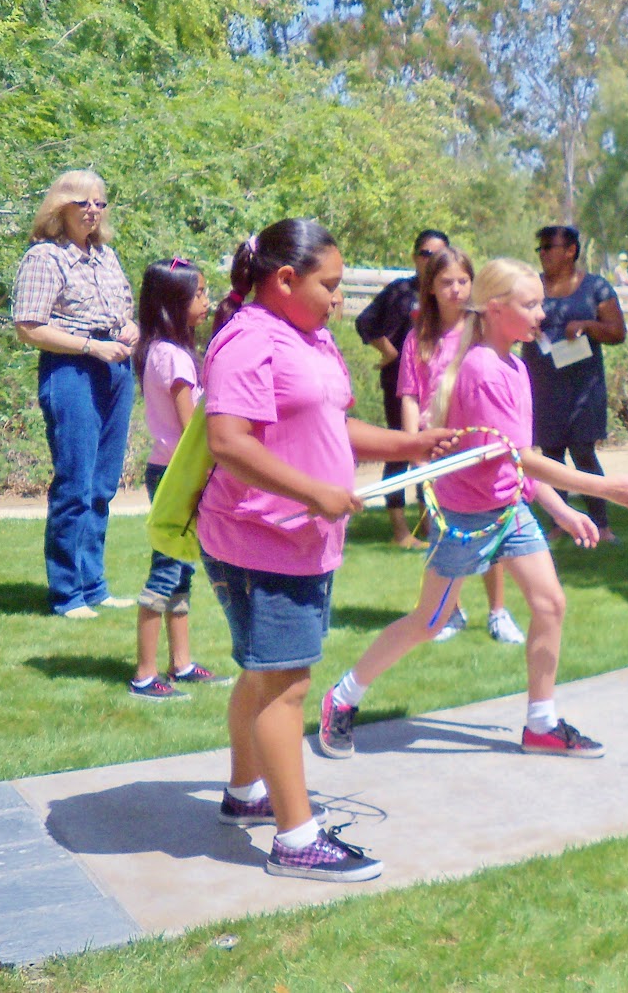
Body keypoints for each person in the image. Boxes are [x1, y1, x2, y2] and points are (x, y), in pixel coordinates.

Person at [318, 259, 628, 762]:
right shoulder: (481, 368)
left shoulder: (516, 366)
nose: (542, 313)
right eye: (530, 304)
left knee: (550, 604)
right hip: (464, 517)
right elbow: (522, 457)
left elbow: (519, 461)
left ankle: (541, 724)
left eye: (541, 302)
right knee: (428, 622)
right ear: (497, 310)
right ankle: (342, 697)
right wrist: (602, 487)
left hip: (509, 508)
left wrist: (561, 512)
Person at [201, 219, 452, 881]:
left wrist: (412, 445)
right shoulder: (248, 339)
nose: (339, 299)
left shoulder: (306, 338)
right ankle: (297, 838)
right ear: (285, 279)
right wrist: (315, 492)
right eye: (330, 285)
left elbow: (334, 425)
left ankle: (246, 791)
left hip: (302, 538)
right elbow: (228, 439)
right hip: (263, 540)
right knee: (286, 685)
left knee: (264, 673)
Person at [11, 170, 141, 618]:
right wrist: (91, 345)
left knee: (104, 486)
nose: (92, 211)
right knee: (76, 484)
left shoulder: (106, 256)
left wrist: (131, 327)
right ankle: (67, 593)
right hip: (72, 370)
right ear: (60, 207)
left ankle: (94, 584)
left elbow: (124, 309)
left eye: (100, 203)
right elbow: (29, 326)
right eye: (83, 202)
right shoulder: (45, 257)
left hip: (116, 369)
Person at [395, 245, 523, 645]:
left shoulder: (482, 333)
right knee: (444, 531)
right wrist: (413, 447)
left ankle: (498, 611)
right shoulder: (419, 338)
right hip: (437, 449)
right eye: (445, 282)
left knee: (491, 525)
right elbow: (410, 394)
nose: (455, 290)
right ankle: (448, 610)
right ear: (430, 287)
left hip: (479, 445)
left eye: (463, 281)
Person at [129, 258, 227, 700]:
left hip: (169, 469)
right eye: (200, 294)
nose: (206, 301)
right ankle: (145, 675)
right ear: (173, 303)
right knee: (167, 570)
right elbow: (192, 433)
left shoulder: (161, 351)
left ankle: (181, 664)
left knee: (182, 569)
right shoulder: (175, 358)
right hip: (178, 472)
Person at [521, 225, 627, 542]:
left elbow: (618, 332)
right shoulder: (531, 287)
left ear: (570, 251)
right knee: (550, 453)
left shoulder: (596, 288)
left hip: (584, 384)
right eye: (539, 248)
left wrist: (588, 325)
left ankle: (601, 525)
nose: (542, 254)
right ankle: (559, 523)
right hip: (541, 382)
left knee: (583, 451)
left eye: (548, 247)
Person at [356, 228, 449, 549]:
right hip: (400, 383)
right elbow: (365, 323)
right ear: (414, 257)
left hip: (438, 383)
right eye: (425, 253)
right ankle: (399, 529)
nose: (431, 260)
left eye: (438, 254)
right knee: (402, 448)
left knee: (434, 449)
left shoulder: (446, 292)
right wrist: (390, 352)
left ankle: (428, 522)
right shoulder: (400, 291)